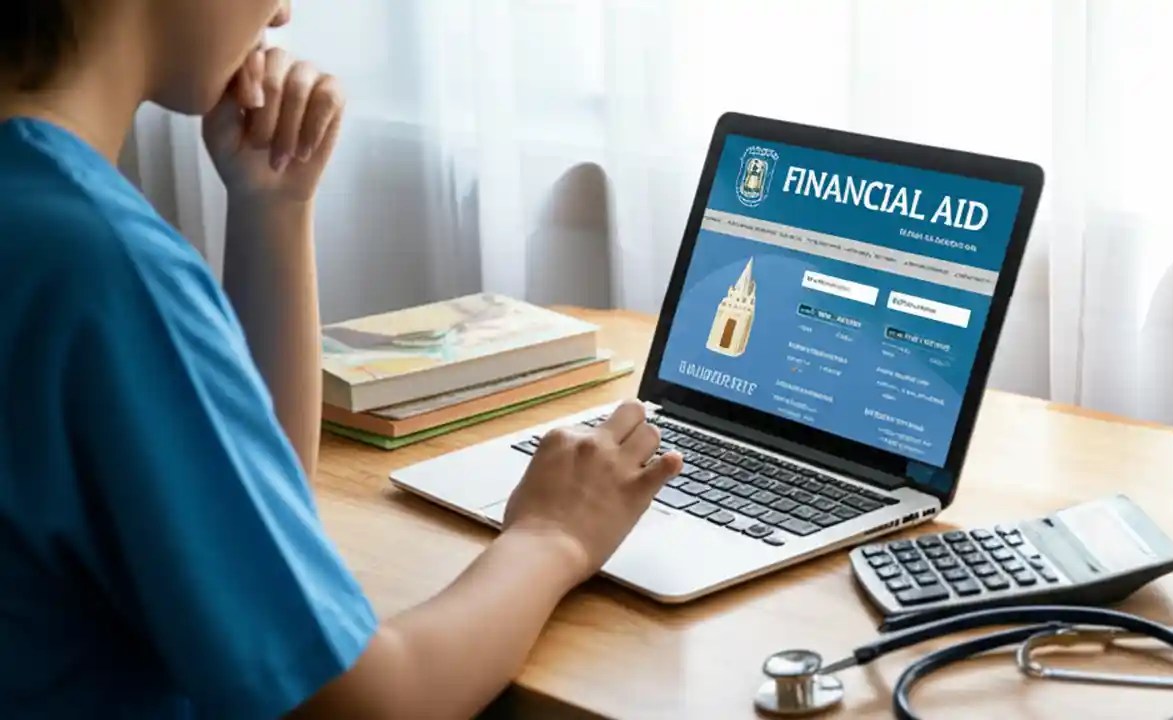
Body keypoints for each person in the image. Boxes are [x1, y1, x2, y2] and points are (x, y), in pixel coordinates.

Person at [0, 1, 682, 718]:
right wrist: (554, 537)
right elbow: (363, 704)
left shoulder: (42, 222)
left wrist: (274, 206)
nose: (284, 10)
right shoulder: (98, 268)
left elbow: (249, 519)